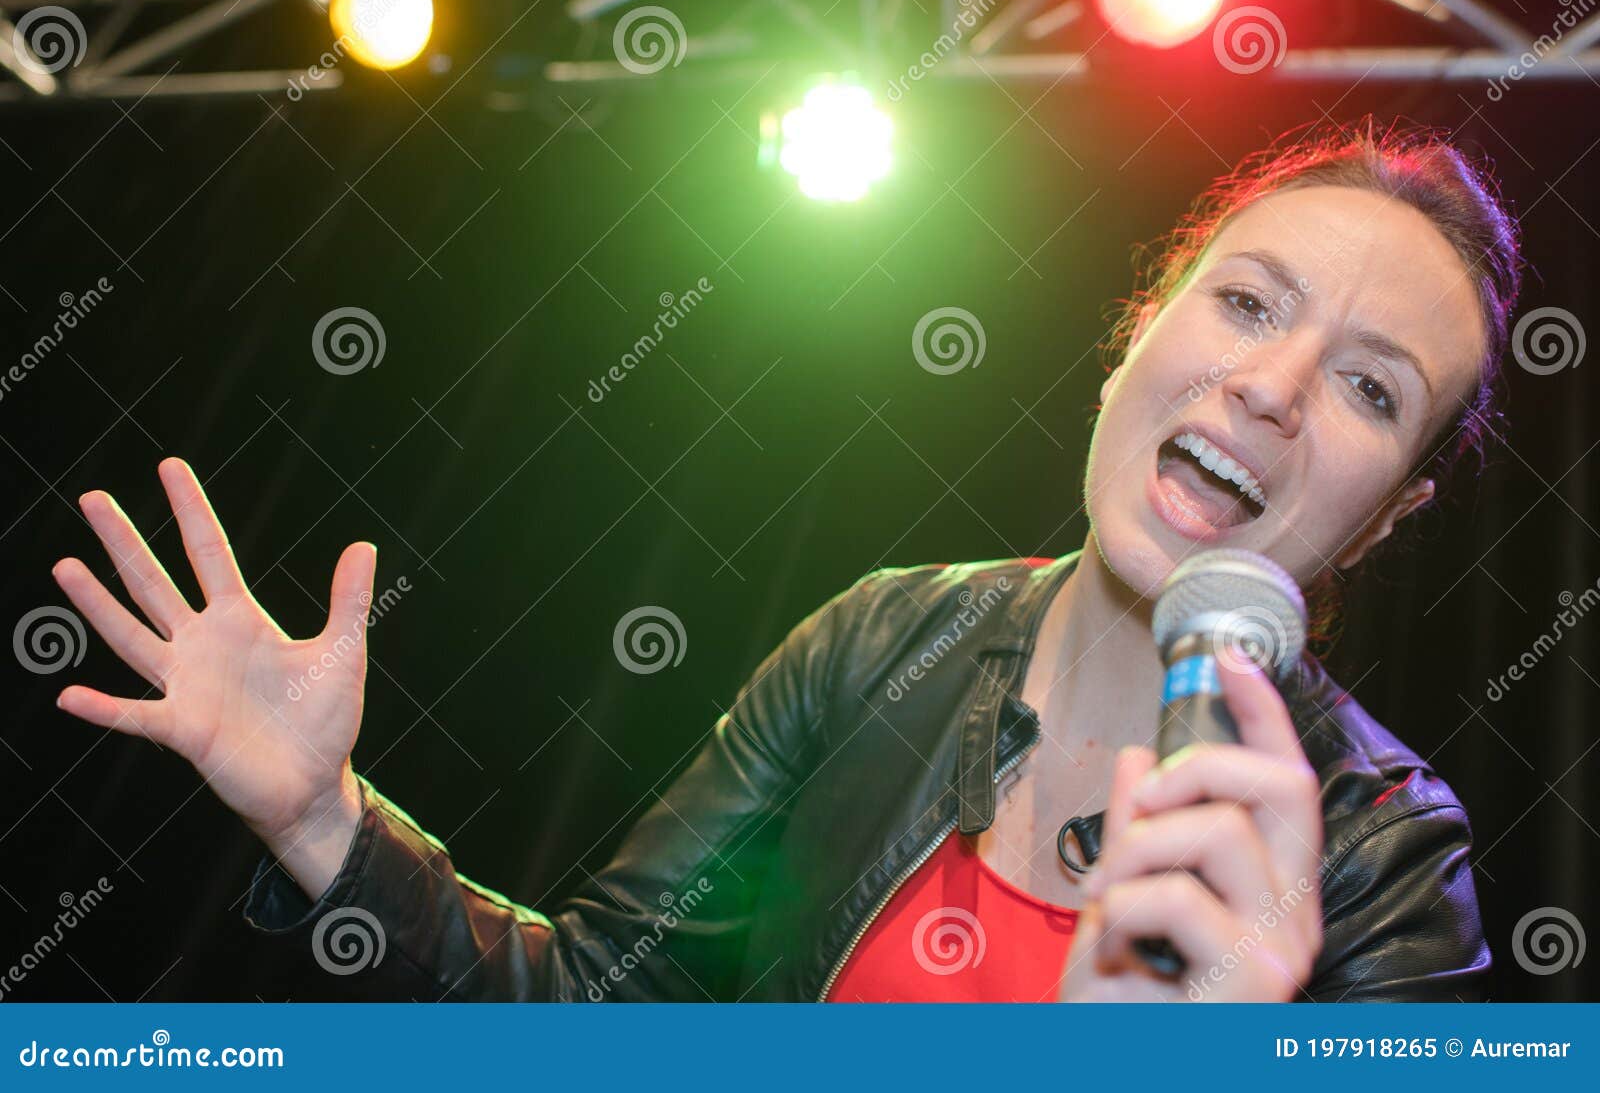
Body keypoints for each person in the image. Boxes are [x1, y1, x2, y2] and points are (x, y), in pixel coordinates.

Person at [48, 118, 1520, 1002]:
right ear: (1141, 328)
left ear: (1393, 511)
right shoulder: (880, 641)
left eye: (1374, 389)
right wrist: (323, 821)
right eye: (1250, 303)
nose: (1275, 385)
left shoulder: (1388, 857)